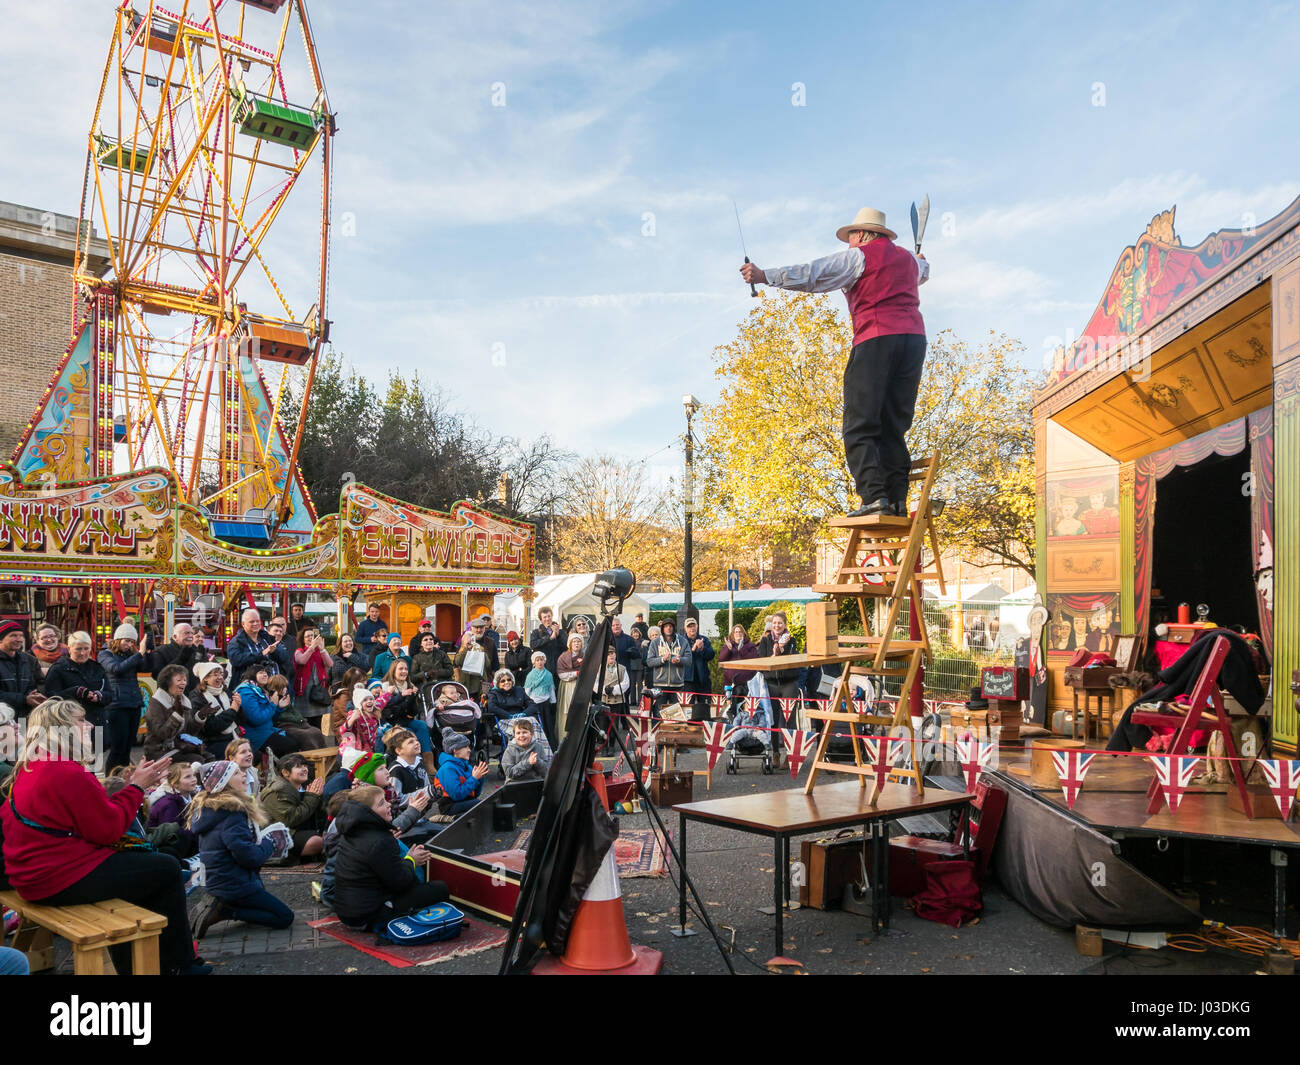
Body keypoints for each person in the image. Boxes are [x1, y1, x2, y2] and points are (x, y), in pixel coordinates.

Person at [741, 206, 930, 517]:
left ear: (861, 234)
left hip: (875, 337)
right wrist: (921, 262)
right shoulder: (910, 260)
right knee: (894, 425)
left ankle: (872, 496)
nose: (849, 242)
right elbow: (925, 271)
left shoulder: (858, 257)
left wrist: (764, 276)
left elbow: (814, 274)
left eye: (851, 236)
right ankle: (896, 500)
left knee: (860, 422)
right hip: (913, 341)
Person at [0, 699, 205, 974]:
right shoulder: (64, 770)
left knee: (141, 870)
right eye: (80, 721)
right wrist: (136, 788)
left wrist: (132, 787)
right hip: (53, 879)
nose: (88, 726)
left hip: (33, 874)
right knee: (165, 868)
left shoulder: (33, 764)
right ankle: (179, 965)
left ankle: (147, 964)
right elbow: (108, 829)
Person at [188, 760, 295, 938]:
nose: (244, 775)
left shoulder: (211, 808)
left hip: (220, 880)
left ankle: (226, 903)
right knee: (284, 917)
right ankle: (225, 911)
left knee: (263, 904)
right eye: (236, 773)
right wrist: (271, 843)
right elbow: (249, 857)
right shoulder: (231, 813)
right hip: (234, 885)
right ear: (224, 782)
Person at [331, 785, 448, 931]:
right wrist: (411, 860)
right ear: (368, 812)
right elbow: (400, 882)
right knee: (440, 889)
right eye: (381, 803)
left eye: (385, 800)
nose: (388, 804)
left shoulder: (352, 830)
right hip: (368, 914)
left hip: (346, 911)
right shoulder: (380, 839)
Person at [98, 623, 147, 773]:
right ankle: (111, 780)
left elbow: (146, 667)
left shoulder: (130, 655)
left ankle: (122, 779)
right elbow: (116, 669)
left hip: (133, 704)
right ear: (117, 639)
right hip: (116, 705)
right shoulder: (105, 654)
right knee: (118, 747)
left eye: (132, 641)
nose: (129, 644)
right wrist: (139, 654)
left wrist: (146, 652)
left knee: (127, 747)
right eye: (126, 640)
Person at [259, 753, 325, 861]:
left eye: (305, 766)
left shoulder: (302, 787)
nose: (305, 769)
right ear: (285, 772)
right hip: (274, 836)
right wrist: (312, 798)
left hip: (293, 830)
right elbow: (290, 819)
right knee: (317, 842)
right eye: (299, 766)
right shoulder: (277, 790)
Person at [756, 612, 801, 759]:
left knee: (790, 720)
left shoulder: (792, 640)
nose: (777, 625)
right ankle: (775, 752)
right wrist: (774, 655)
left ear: (785, 625)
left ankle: (791, 755)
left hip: (789, 683)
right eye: (775, 623)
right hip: (772, 683)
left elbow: (793, 661)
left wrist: (781, 650)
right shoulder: (765, 641)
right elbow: (762, 662)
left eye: (780, 623)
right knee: (773, 720)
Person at [43, 632, 108, 725]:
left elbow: (110, 694)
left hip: (97, 722)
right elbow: (51, 698)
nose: (83, 653)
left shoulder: (97, 668)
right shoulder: (58, 669)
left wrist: (98, 696)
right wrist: (75, 692)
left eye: (86, 648)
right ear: (69, 649)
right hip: (69, 724)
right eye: (78, 649)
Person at [143, 663, 204, 762]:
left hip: (179, 746)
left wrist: (200, 718)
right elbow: (161, 734)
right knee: (197, 760)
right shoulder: (157, 702)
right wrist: (176, 716)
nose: (183, 683)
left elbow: (188, 732)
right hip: (159, 751)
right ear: (168, 682)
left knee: (208, 756)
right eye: (179, 680)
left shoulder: (184, 701)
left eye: (184, 680)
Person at [234, 665, 298, 758]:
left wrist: (279, 707)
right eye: (260, 672)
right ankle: (283, 770)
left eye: (265, 672)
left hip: (267, 731)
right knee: (290, 745)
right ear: (252, 675)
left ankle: (287, 770)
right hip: (255, 735)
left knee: (296, 741)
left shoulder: (262, 691)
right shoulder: (246, 692)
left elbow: (271, 719)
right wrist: (273, 705)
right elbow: (256, 719)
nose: (265, 675)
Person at [377, 660, 432, 758]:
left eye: (406, 669)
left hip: (405, 719)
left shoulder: (409, 685)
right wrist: (402, 696)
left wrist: (413, 697)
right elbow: (388, 710)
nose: (404, 671)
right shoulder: (386, 686)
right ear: (393, 671)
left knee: (422, 725)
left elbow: (414, 712)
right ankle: (413, 758)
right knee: (407, 731)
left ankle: (427, 759)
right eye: (401, 669)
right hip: (391, 722)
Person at [188, 661, 241, 760]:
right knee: (237, 757)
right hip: (211, 742)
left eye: (221, 674)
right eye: (215, 675)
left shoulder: (225, 692)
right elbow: (210, 727)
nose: (220, 677)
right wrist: (233, 710)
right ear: (206, 679)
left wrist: (239, 706)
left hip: (232, 736)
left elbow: (240, 720)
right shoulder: (197, 697)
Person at [263, 674, 327, 751]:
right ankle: (310, 759)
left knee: (316, 732)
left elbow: (293, 711)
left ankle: (325, 757)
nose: (285, 689)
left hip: (298, 723)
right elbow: (276, 716)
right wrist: (279, 707)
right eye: (283, 687)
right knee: (306, 736)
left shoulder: (286, 697)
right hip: (285, 725)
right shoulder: (272, 699)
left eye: (285, 686)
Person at [435, 728, 488, 816]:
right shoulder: (447, 768)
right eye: (465, 746)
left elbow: (475, 795)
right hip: (449, 806)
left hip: (463, 802)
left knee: (487, 803)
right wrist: (474, 778)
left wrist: (480, 777)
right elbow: (456, 795)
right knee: (481, 805)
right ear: (455, 750)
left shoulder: (467, 766)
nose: (469, 750)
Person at [146, 622, 208, 693]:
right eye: (186, 633)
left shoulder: (196, 651)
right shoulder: (161, 651)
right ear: (175, 637)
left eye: (192, 633)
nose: (190, 636)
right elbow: (158, 676)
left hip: (193, 698)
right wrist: (182, 658)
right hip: (170, 698)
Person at [646, 618, 691, 714]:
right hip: (659, 684)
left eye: (670, 626)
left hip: (677, 684)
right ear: (662, 628)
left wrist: (680, 660)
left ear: (674, 628)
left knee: (676, 714)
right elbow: (649, 662)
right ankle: (658, 729)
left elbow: (689, 661)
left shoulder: (683, 641)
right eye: (666, 626)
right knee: (659, 713)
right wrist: (662, 659)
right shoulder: (655, 642)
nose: (668, 628)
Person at [0, 620, 44, 716]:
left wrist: (37, 694)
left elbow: (41, 682)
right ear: (1, 639)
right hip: (3, 718)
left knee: (23, 731)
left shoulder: (30, 660)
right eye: (13, 635)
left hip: (26, 716)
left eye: (21, 635)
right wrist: (24, 699)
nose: (19, 639)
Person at [292, 625, 333, 722]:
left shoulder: (320, 651)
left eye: (312, 635)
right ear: (303, 639)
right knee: (305, 721)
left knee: (318, 721)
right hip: (304, 691)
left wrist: (322, 649)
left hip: (318, 691)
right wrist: (312, 647)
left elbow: (330, 664)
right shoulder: (299, 651)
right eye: (307, 636)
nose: (310, 638)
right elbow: (301, 660)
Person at [226, 609, 278, 683]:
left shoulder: (267, 638)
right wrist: (262, 654)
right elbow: (236, 660)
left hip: (271, 686)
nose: (255, 623)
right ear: (243, 624)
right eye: (252, 622)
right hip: (249, 688)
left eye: (257, 621)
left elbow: (284, 658)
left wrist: (274, 652)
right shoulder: (236, 642)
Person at [146, 762, 199, 834]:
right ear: (175, 783)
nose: (194, 779)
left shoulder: (191, 796)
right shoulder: (168, 804)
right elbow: (171, 836)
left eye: (194, 775)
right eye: (187, 777)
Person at [719, 624, 760, 712]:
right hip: (730, 685)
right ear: (733, 634)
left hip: (747, 684)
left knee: (746, 709)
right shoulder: (729, 645)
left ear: (744, 634)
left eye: (740, 631)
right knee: (730, 709)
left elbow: (753, 659)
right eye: (736, 632)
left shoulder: (750, 646)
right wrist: (728, 649)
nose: (738, 633)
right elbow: (721, 659)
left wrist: (741, 649)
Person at [454, 615, 498, 699]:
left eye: (481, 627)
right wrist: (465, 647)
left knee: (484, 706)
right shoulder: (464, 640)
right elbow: (457, 662)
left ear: (485, 628)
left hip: (484, 682)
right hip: (466, 682)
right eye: (476, 628)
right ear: (471, 628)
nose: (478, 630)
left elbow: (494, 665)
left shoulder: (490, 642)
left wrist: (494, 682)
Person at [681, 617, 715, 721]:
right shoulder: (681, 641)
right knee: (687, 709)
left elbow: (711, 655)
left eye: (693, 625)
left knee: (704, 709)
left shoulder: (704, 639)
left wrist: (702, 648)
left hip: (703, 680)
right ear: (685, 629)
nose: (692, 628)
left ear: (697, 626)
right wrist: (694, 648)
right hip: (687, 681)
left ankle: (705, 730)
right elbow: (681, 657)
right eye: (689, 626)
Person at [524, 651, 558, 747]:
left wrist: (553, 702)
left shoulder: (549, 675)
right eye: (537, 660)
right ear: (534, 662)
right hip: (534, 704)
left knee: (548, 725)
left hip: (545, 704)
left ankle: (550, 745)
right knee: (537, 725)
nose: (540, 662)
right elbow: (527, 691)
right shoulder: (530, 676)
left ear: (544, 661)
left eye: (541, 660)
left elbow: (551, 690)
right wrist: (527, 703)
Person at [556, 632, 586, 737]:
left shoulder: (585, 656)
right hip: (568, 685)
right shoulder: (563, 657)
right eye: (574, 642)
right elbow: (561, 674)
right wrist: (576, 673)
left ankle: (580, 736)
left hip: (582, 686)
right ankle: (566, 736)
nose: (576, 644)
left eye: (578, 642)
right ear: (570, 644)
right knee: (567, 711)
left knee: (581, 711)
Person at [501, 717, 550, 782]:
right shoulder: (510, 750)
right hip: (515, 784)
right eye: (518, 733)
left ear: (532, 734)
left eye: (524, 732)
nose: (521, 735)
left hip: (535, 782)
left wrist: (537, 761)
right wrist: (528, 763)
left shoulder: (538, 747)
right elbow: (510, 773)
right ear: (514, 736)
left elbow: (546, 771)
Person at [485, 667, 529, 737]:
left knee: (532, 722)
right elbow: (491, 707)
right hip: (505, 719)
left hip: (522, 718)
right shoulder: (494, 693)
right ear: (498, 684)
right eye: (503, 681)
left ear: (512, 681)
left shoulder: (519, 690)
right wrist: (508, 715)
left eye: (509, 680)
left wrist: (525, 713)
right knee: (520, 728)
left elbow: (532, 705)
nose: (507, 682)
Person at [529, 607, 565, 681]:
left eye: (549, 616)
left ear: (552, 616)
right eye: (544, 617)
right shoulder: (536, 632)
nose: (547, 619)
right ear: (541, 620)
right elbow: (533, 644)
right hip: (543, 668)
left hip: (558, 668)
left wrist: (558, 635)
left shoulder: (560, 632)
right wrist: (549, 638)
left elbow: (567, 646)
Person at [343, 685, 382, 753]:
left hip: (370, 748)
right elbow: (343, 732)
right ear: (358, 703)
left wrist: (388, 693)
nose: (369, 701)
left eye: (371, 699)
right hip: (355, 751)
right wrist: (352, 719)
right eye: (365, 700)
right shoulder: (355, 714)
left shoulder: (375, 712)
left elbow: (382, 701)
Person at [265, 617, 296, 682]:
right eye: (277, 625)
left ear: (286, 625)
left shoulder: (294, 640)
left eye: (283, 624)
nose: (280, 627)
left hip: (288, 677)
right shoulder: (264, 642)